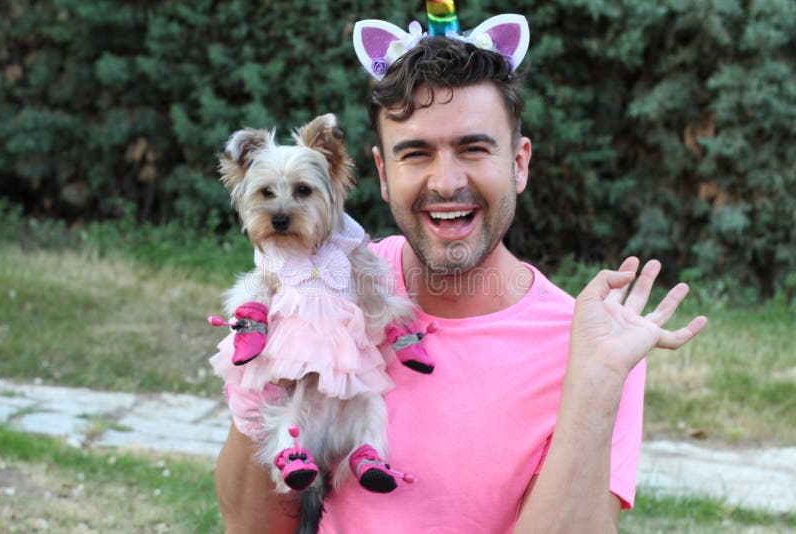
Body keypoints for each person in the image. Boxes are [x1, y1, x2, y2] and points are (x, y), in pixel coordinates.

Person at [213, 15, 707, 534]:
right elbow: (250, 529)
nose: (446, 182)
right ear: (383, 174)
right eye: (416, 153)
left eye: (473, 149)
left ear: (519, 163)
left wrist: (596, 382)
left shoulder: (592, 345)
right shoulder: (329, 287)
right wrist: (261, 386)